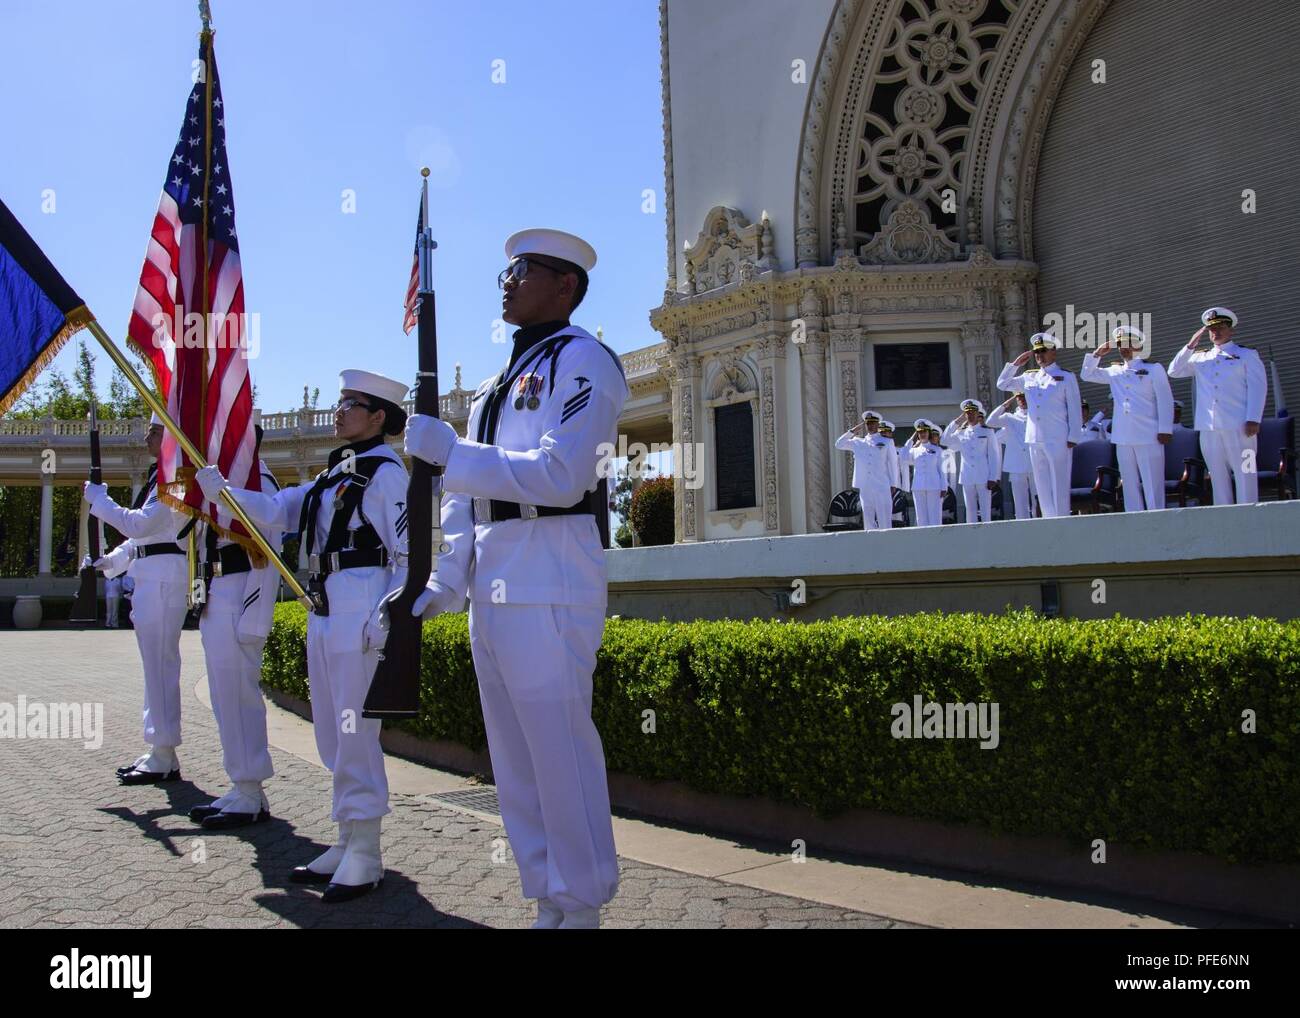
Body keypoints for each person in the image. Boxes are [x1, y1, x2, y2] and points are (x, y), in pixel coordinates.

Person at [401, 228, 628, 929]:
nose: (507, 280)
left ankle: (582, 901)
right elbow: (462, 504)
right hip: (496, 584)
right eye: (507, 270)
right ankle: (548, 899)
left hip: (550, 575)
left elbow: (563, 476)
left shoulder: (585, 361)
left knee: (559, 750)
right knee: (516, 759)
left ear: (565, 287)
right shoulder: (496, 387)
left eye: (524, 270)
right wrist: (446, 580)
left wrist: (451, 455)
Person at [197, 371, 411, 902]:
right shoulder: (333, 473)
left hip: (361, 600)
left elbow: (408, 553)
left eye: (350, 404)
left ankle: (367, 849)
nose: (338, 412)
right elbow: (276, 511)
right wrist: (222, 493)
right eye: (338, 403)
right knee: (332, 733)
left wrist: (390, 614)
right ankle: (346, 838)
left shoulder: (387, 474)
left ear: (378, 417)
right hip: (323, 602)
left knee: (357, 731)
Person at [84, 414, 189, 784]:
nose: (147, 435)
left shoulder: (177, 477)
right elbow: (140, 539)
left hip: (163, 577)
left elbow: (142, 526)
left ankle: (163, 753)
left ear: (172, 437)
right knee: (154, 668)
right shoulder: (158, 478)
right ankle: (159, 749)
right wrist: (112, 560)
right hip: (151, 575)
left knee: (160, 667)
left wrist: (101, 501)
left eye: (156, 430)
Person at [188, 426, 283, 829]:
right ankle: (242, 784)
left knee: (239, 694)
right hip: (217, 591)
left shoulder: (257, 480)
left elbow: (269, 547)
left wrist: (256, 613)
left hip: (241, 592)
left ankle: (250, 786)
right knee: (224, 694)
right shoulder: (221, 484)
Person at [1168, 307, 1267, 505]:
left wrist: (1254, 418)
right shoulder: (1201, 357)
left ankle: (1249, 517)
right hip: (1209, 428)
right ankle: (1227, 519)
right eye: (1211, 329)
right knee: (1218, 477)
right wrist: (1190, 346)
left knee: (1246, 474)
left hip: (1240, 427)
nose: (1216, 332)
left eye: (1221, 327)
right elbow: (1174, 371)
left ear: (1231, 330)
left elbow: (1259, 387)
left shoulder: (1246, 355)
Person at [1081, 326, 1173, 511]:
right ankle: (1136, 519)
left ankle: (1158, 519)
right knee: (1129, 484)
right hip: (1123, 437)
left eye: (1128, 344)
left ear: (1138, 346)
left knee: (1152, 484)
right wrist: (1097, 354)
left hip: (1149, 434)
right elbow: (1086, 374)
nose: (1124, 348)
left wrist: (1165, 429)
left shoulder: (1153, 368)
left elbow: (1165, 399)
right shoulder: (1115, 371)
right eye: (1120, 344)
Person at [997, 333, 1081, 518]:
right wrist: (1015, 364)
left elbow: (1075, 408)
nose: (1039, 356)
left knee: (1059, 482)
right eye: (1036, 352)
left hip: (1058, 437)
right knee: (1041, 484)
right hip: (1035, 438)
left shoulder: (1065, 377)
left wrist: (1073, 436)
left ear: (1053, 352)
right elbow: (1002, 384)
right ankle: (1049, 519)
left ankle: (1062, 519)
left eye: (1043, 351)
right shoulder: (1029, 377)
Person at [942, 399, 1000, 523]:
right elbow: (944, 441)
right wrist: (957, 422)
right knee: (970, 510)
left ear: (978, 413)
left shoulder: (987, 432)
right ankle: (973, 535)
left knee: (985, 509)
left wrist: (993, 477)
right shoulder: (961, 433)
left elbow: (994, 456)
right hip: (967, 476)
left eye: (973, 412)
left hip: (984, 476)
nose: (970, 415)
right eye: (967, 413)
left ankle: (987, 534)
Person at [834, 411, 894, 531]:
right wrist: (852, 431)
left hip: (881, 484)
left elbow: (893, 464)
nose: (870, 426)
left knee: (884, 520)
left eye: (873, 423)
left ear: (878, 424)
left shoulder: (887, 442)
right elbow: (838, 444)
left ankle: (888, 544)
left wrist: (893, 484)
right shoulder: (858, 442)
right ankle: (872, 545)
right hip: (865, 485)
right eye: (868, 423)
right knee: (868, 519)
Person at [987, 394, 1038, 520]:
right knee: (1020, 503)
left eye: (1024, 396)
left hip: (1035, 462)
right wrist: (1005, 405)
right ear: (1016, 399)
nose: (1022, 400)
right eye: (1019, 397)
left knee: (1038, 500)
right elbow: (990, 421)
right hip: (1016, 464)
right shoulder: (1009, 417)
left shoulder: (1037, 413)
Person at [907, 419, 946, 527]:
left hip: (934, 486)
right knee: (921, 518)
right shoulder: (914, 450)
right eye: (920, 432)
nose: (922, 434)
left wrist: (944, 487)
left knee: (935, 517)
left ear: (929, 433)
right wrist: (911, 441)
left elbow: (941, 470)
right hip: (918, 487)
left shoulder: (937, 450)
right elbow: (902, 458)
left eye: (924, 432)